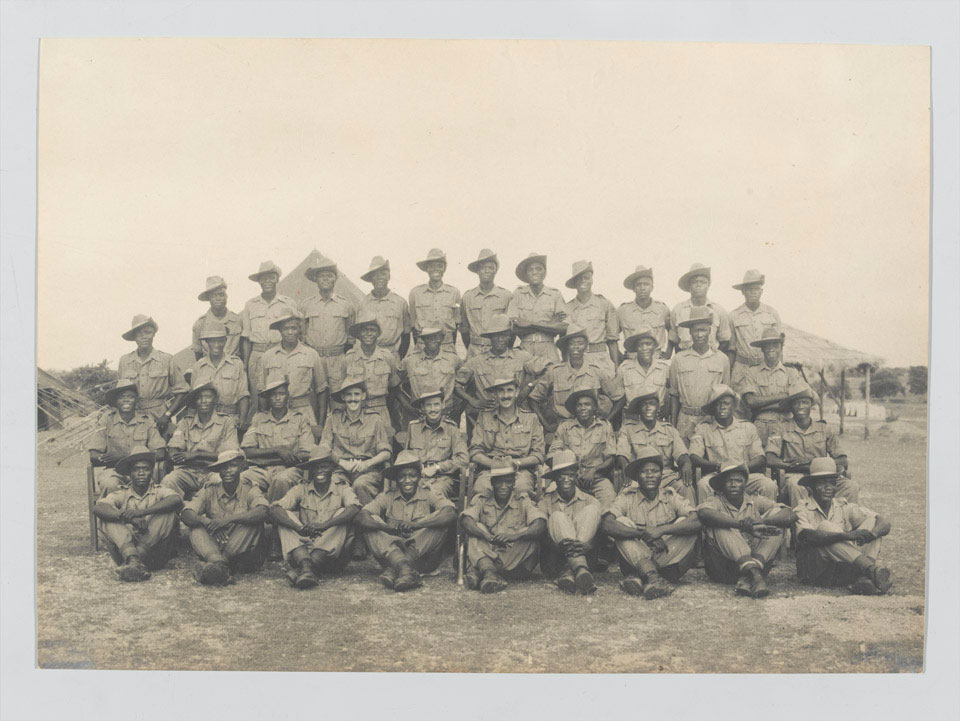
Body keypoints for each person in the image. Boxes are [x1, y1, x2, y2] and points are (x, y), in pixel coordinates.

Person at [602, 446, 701, 598]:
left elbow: (696, 521)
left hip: (664, 557)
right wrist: (643, 533)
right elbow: (607, 524)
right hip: (635, 555)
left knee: (684, 522)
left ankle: (641, 576)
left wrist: (662, 531)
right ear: (637, 476)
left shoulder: (670, 495)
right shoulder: (627, 497)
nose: (649, 476)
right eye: (644, 472)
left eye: (654, 471)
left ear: (661, 474)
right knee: (621, 522)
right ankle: (653, 578)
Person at [355, 450, 457, 592]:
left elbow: (450, 513)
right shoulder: (387, 496)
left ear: (419, 477)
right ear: (396, 479)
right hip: (392, 554)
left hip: (422, 560)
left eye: (412, 476)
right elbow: (362, 517)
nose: (407, 480)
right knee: (372, 520)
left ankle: (397, 569)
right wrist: (387, 528)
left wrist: (417, 525)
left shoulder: (429, 493)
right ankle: (405, 570)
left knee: (438, 519)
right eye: (402, 476)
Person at [697, 461, 796, 598]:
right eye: (729, 481)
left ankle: (749, 575)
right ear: (722, 484)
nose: (733, 485)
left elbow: (790, 514)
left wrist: (762, 521)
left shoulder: (754, 499)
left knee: (776, 518)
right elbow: (703, 513)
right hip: (723, 569)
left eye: (738, 480)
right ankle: (755, 575)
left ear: (745, 483)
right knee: (720, 523)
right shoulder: (716, 500)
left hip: (757, 562)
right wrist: (742, 525)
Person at [793, 458, 892, 595]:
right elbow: (807, 536)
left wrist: (872, 534)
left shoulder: (843, 506)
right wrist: (845, 535)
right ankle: (871, 571)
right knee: (826, 527)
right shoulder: (802, 509)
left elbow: (883, 522)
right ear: (811, 486)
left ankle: (864, 578)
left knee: (871, 522)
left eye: (832, 483)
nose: (828, 487)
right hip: (816, 571)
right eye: (822, 483)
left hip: (842, 568)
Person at [269, 448, 362, 589]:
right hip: (303, 548)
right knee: (284, 516)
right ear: (310, 470)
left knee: (344, 513)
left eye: (324, 466)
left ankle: (305, 568)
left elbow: (354, 508)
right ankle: (308, 568)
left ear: (332, 468)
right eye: (316, 467)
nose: (320, 470)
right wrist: (298, 528)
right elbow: (275, 509)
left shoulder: (342, 488)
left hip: (331, 557)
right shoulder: (302, 488)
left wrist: (325, 525)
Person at [93, 446, 183, 582]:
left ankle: (135, 562)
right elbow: (99, 507)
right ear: (130, 473)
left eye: (145, 469)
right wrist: (126, 516)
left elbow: (176, 500)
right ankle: (134, 560)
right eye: (136, 469)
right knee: (108, 518)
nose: (141, 473)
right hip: (126, 553)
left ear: (151, 471)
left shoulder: (160, 491)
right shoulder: (122, 493)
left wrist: (141, 512)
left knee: (168, 514)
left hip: (155, 556)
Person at [180, 449, 269, 586]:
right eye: (223, 467)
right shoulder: (210, 489)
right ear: (218, 471)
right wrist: (206, 521)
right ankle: (220, 566)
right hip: (216, 543)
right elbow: (186, 514)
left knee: (252, 523)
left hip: (241, 549)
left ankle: (214, 567)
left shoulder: (250, 487)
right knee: (196, 526)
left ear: (241, 468)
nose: (227, 470)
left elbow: (263, 511)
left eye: (232, 466)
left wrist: (228, 520)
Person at [454, 313, 549, 433]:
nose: (500, 339)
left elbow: (550, 370)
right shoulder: (476, 362)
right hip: (487, 419)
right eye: (496, 336)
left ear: (509, 337)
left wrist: (530, 386)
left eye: (504, 335)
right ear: (490, 337)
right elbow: (456, 384)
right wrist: (472, 401)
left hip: (515, 416)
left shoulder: (521, 357)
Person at [528, 325, 624, 440]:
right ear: (567, 347)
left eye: (580, 343)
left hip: (592, 431)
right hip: (564, 430)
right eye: (572, 343)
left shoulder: (597, 372)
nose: (576, 347)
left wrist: (606, 420)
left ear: (586, 347)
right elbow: (533, 398)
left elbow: (619, 398)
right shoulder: (555, 372)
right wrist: (547, 425)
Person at [460, 466, 547, 593]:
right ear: (492, 483)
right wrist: (486, 536)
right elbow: (466, 520)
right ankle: (489, 573)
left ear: (514, 483)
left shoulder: (523, 500)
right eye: (499, 482)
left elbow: (540, 524)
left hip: (511, 556)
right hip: (488, 551)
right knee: (476, 528)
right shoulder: (482, 500)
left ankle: (480, 572)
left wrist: (516, 536)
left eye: (508, 482)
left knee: (530, 536)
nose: (503, 486)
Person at [766, 385, 855, 505]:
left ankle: (840, 519)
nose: (801, 406)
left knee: (850, 486)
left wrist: (819, 467)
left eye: (805, 402)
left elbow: (843, 460)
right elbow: (770, 459)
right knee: (796, 486)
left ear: (811, 405)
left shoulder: (824, 428)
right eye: (796, 403)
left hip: (823, 475)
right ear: (791, 407)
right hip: (795, 475)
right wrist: (790, 466)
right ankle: (803, 521)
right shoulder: (780, 428)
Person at [689, 384, 778, 501]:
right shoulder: (703, 428)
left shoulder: (748, 427)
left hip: (746, 476)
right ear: (712, 408)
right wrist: (716, 466)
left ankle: (768, 517)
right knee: (703, 485)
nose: (722, 407)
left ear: (733, 406)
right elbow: (694, 456)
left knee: (768, 485)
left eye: (726, 403)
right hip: (718, 475)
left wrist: (743, 469)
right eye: (718, 404)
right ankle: (708, 518)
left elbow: (760, 457)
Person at [239, 260, 298, 424]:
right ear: (259, 281)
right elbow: (246, 337)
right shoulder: (250, 305)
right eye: (263, 278)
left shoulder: (288, 303)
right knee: (260, 398)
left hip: (280, 353)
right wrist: (245, 364)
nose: (267, 281)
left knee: (284, 394)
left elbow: (296, 330)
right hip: (257, 354)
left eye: (271, 277)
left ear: (277, 279)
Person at [318, 376, 393, 505]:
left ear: (363, 396)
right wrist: (342, 463)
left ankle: (369, 520)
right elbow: (323, 449)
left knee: (360, 485)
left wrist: (367, 463)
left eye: (357, 394)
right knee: (333, 483)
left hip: (368, 471)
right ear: (343, 397)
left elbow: (386, 453)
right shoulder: (332, 419)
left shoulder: (374, 419)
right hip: (340, 469)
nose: (353, 399)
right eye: (349, 395)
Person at [240, 375, 315, 501]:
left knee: (281, 480)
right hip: (262, 471)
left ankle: (271, 512)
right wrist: (277, 451)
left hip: (290, 470)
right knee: (241, 479)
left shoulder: (300, 419)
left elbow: (307, 453)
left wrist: (269, 460)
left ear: (288, 395)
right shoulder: (258, 419)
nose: (278, 398)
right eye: (273, 395)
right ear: (268, 398)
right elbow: (247, 450)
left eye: (281, 394)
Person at [160, 382, 240, 500]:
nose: (203, 401)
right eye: (199, 398)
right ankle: (175, 514)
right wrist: (175, 456)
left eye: (208, 397)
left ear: (215, 399)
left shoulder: (226, 422)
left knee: (221, 481)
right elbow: (173, 447)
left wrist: (196, 455)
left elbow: (231, 454)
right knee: (169, 481)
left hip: (215, 471)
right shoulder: (185, 422)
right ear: (195, 402)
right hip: (189, 471)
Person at [469, 377, 545, 499]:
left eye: (509, 390)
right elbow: (474, 451)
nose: (505, 395)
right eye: (501, 391)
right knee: (481, 489)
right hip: (490, 470)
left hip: (520, 470)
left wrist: (516, 463)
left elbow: (539, 454)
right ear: (495, 394)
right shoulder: (484, 417)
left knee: (522, 489)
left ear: (516, 392)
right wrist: (492, 464)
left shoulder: (531, 419)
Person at [537, 450, 600, 594]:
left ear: (576, 476)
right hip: (556, 557)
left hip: (586, 553)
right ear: (555, 478)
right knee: (557, 517)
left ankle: (571, 572)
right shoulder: (545, 502)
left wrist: (588, 545)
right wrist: (559, 547)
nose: (566, 479)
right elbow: (541, 536)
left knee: (591, 511)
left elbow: (598, 533)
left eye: (570, 475)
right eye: (562, 475)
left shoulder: (590, 500)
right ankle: (579, 569)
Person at [88, 381, 165, 496]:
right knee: (109, 483)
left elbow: (160, 453)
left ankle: (143, 513)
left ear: (136, 401)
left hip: (141, 470)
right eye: (121, 397)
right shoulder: (106, 420)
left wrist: (122, 457)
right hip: (114, 470)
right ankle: (116, 513)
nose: (126, 400)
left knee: (149, 485)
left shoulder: (147, 420)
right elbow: (94, 455)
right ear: (116, 401)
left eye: (130, 397)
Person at [616, 388, 693, 500]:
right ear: (638, 409)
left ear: (658, 407)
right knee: (626, 492)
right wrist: (625, 466)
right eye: (644, 405)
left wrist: (686, 463)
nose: (648, 408)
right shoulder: (628, 429)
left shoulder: (669, 430)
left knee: (685, 487)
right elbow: (622, 455)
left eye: (652, 404)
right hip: (639, 477)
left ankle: (691, 515)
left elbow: (682, 454)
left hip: (666, 476)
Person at [667, 305, 731, 440]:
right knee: (685, 458)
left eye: (703, 330)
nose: (700, 334)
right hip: (685, 419)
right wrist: (673, 425)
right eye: (696, 330)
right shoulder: (678, 360)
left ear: (710, 330)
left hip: (711, 420)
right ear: (690, 332)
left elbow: (726, 396)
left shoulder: (722, 359)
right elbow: (674, 395)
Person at [259, 309, 328, 433]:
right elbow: (262, 393)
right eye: (286, 329)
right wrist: (262, 421)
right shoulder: (268, 356)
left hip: (304, 412)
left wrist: (320, 424)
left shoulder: (311, 354)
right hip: (277, 414)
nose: (290, 332)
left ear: (299, 330)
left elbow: (322, 390)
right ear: (280, 330)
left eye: (294, 328)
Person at [299, 255, 356, 403]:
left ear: (335, 279)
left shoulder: (346, 305)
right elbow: (302, 335)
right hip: (314, 358)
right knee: (314, 399)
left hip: (338, 358)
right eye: (321, 276)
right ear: (315, 280)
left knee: (339, 399)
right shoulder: (306, 305)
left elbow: (351, 337)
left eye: (329, 276)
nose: (325, 279)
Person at [117, 314, 188, 432]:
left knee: (160, 448)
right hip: (133, 415)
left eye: (148, 332)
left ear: (154, 334)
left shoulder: (166, 359)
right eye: (139, 334)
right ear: (134, 337)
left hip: (159, 417)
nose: (144, 337)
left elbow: (182, 391)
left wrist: (167, 415)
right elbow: (119, 393)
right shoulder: (125, 361)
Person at [547, 388, 617, 506]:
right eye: (579, 405)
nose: (583, 408)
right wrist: (571, 472)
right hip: (568, 477)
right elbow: (552, 456)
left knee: (609, 499)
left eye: (587, 404)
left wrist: (594, 471)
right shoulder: (565, 427)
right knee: (551, 498)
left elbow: (611, 457)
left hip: (596, 478)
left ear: (595, 408)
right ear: (575, 409)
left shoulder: (605, 426)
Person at [737, 328, 804, 442]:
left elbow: (794, 402)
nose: (771, 349)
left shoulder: (791, 372)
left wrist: (761, 406)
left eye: (775, 345)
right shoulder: (752, 371)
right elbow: (750, 402)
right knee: (760, 457)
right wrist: (783, 396)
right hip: (761, 425)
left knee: (785, 457)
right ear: (762, 349)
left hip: (786, 424)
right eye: (767, 346)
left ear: (781, 348)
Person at [342, 312, 403, 438]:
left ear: (378, 334)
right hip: (357, 410)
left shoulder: (387, 357)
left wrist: (387, 409)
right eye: (364, 330)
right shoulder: (349, 358)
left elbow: (393, 387)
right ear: (358, 334)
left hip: (381, 409)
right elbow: (344, 387)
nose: (369, 334)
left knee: (384, 444)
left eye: (372, 330)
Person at [404, 389, 469, 499]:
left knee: (433, 493)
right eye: (429, 405)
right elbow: (405, 458)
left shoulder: (451, 428)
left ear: (442, 405)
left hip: (443, 479)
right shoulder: (413, 427)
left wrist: (437, 468)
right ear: (423, 408)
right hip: (419, 477)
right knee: (409, 491)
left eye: (436, 405)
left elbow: (463, 459)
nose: (433, 409)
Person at [184, 322, 250, 426]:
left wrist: (243, 418)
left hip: (231, 418)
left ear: (225, 341)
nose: (217, 345)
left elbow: (243, 395)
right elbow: (194, 398)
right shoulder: (198, 366)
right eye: (213, 341)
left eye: (220, 341)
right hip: (206, 420)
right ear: (206, 342)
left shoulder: (237, 364)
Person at [728, 270, 782, 398]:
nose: (753, 292)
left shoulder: (772, 314)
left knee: (765, 402)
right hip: (742, 368)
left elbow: (779, 347)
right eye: (749, 289)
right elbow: (731, 348)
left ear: (761, 291)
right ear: (743, 291)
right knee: (739, 407)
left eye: (756, 289)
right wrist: (728, 373)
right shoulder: (733, 316)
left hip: (765, 367)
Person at [507, 252, 569, 363]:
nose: (534, 272)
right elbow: (513, 328)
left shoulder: (555, 294)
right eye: (530, 270)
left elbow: (563, 327)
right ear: (526, 274)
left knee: (552, 377)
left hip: (549, 348)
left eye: (538, 269)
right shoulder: (518, 294)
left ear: (544, 272)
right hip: (525, 349)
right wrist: (550, 324)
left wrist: (530, 324)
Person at [564, 260, 620, 373]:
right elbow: (565, 343)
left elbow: (612, 340)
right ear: (574, 282)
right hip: (577, 360)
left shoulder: (605, 304)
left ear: (592, 280)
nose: (583, 281)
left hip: (600, 359)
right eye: (579, 278)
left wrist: (616, 368)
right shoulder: (567, 308)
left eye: (586, 278)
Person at [400, 326, 463, 424]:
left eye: (436, 337)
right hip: (420, 414)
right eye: (428, 337)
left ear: (442, 339)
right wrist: (407, 406)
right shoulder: (410, 361)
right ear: (423, 339)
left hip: (446, 413)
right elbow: (394, 384)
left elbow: (468, 380)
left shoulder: (453, 359)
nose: (433, 340)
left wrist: (460, 406)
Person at [460, 249, 513, 359]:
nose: (487, 271)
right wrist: (473, 347)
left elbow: (511, 330)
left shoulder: (506, 296)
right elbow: (464, 330)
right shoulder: (467, 297)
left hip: (498, 350)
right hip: (474, 350)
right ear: (477, 271)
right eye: (483, 267)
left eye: (491, 268)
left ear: (496, 271)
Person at [357, 256, 412, 360]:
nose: (379, 277)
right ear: (370, 279)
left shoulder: (400, 303)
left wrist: (398, 359)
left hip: (391, 355)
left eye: (383, 273)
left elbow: (406, 337)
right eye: (375, 275)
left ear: (389, 276)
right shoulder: (362, 303)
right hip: (367, 356)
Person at [669, 263, 732, 354]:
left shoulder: (719, 311)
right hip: (685, 362)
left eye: (703, 282)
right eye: (694, 282)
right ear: (689, 286)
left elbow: (725, 341)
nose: (699, 285)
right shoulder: (678, 310)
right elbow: (674, 340)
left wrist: (714, 357)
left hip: (711, 360)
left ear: (708, 285)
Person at [408, 248, 461, 352]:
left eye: (439, 266)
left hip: (447, 346)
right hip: (422, 346)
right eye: (432, 266)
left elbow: (456, 322)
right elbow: (413, 325)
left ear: (444, 269)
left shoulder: (454, 293)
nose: (435, 269)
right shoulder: (415, 293)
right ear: (427, 269)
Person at [617, 265, 672, 359]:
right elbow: (612, 336)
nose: (642, 288)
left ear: (652, 287)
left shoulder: (662, 309)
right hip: (632, 360)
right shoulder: (623, 311)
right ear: (634, 288)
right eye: (638, 285)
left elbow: (672, 331)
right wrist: (620, 356)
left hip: (657, 359)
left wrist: (668, 353)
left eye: (646, 284)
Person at [617, 325, 672, 414]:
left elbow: (671, 394)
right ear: (635, 348)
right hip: (632, 420)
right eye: (640, 345)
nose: (644, 348)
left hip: (656, 419)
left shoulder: (665, 368)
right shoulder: (624, 368)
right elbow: (619, 398)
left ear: (654, 346)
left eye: (648, 344)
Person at [191, 275, 242, 360]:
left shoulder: (238, 320)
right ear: (209, 299)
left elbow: (244, 349)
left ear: (226, 297)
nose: (218, 299)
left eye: (221, 295)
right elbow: (198, 354)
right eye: (214, 296)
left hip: (233, 368)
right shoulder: (200, 324)